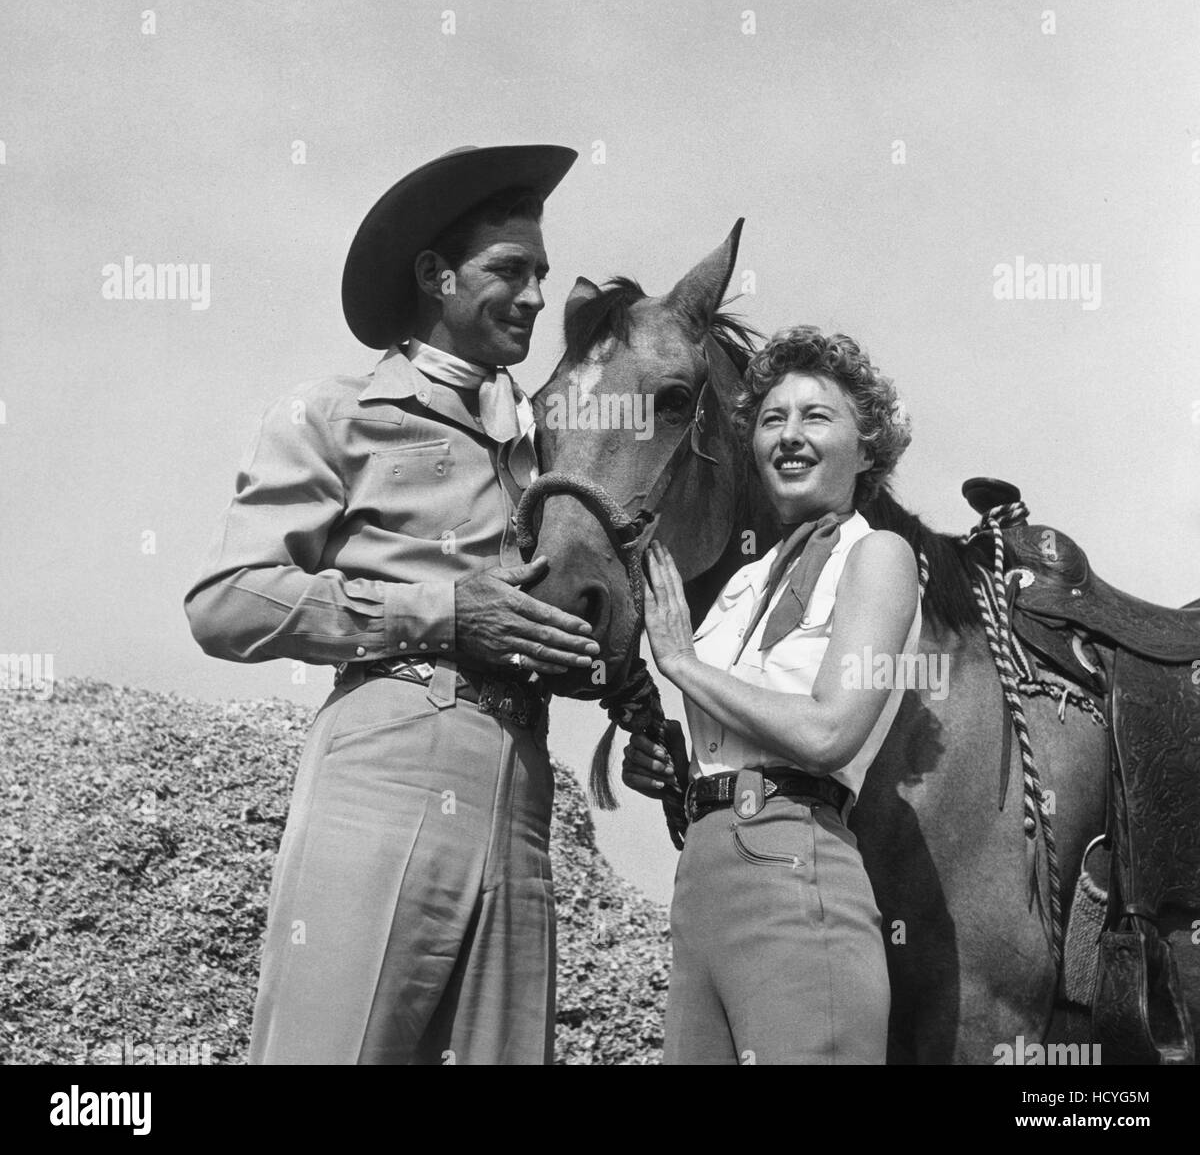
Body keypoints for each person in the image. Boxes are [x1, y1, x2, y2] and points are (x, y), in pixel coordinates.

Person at [185, 143, 602, 1065]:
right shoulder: (336, 412)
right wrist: (442, 613)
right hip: (387, 756)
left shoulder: (551, 444)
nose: (534, 296)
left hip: (525, 790)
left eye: (541, 273)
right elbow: (225, 601)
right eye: (508, 271)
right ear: (435, 275)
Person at [622, 325, 920, 1065]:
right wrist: (673, 764)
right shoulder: (739, 589)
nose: (788, 435)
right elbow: (727, 731)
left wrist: (686, 668)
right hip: (701, 875)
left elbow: (827, 733)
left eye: (817, 416)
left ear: (868, 446)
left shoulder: (878, 557)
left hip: (794, 860)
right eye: (770, 419)